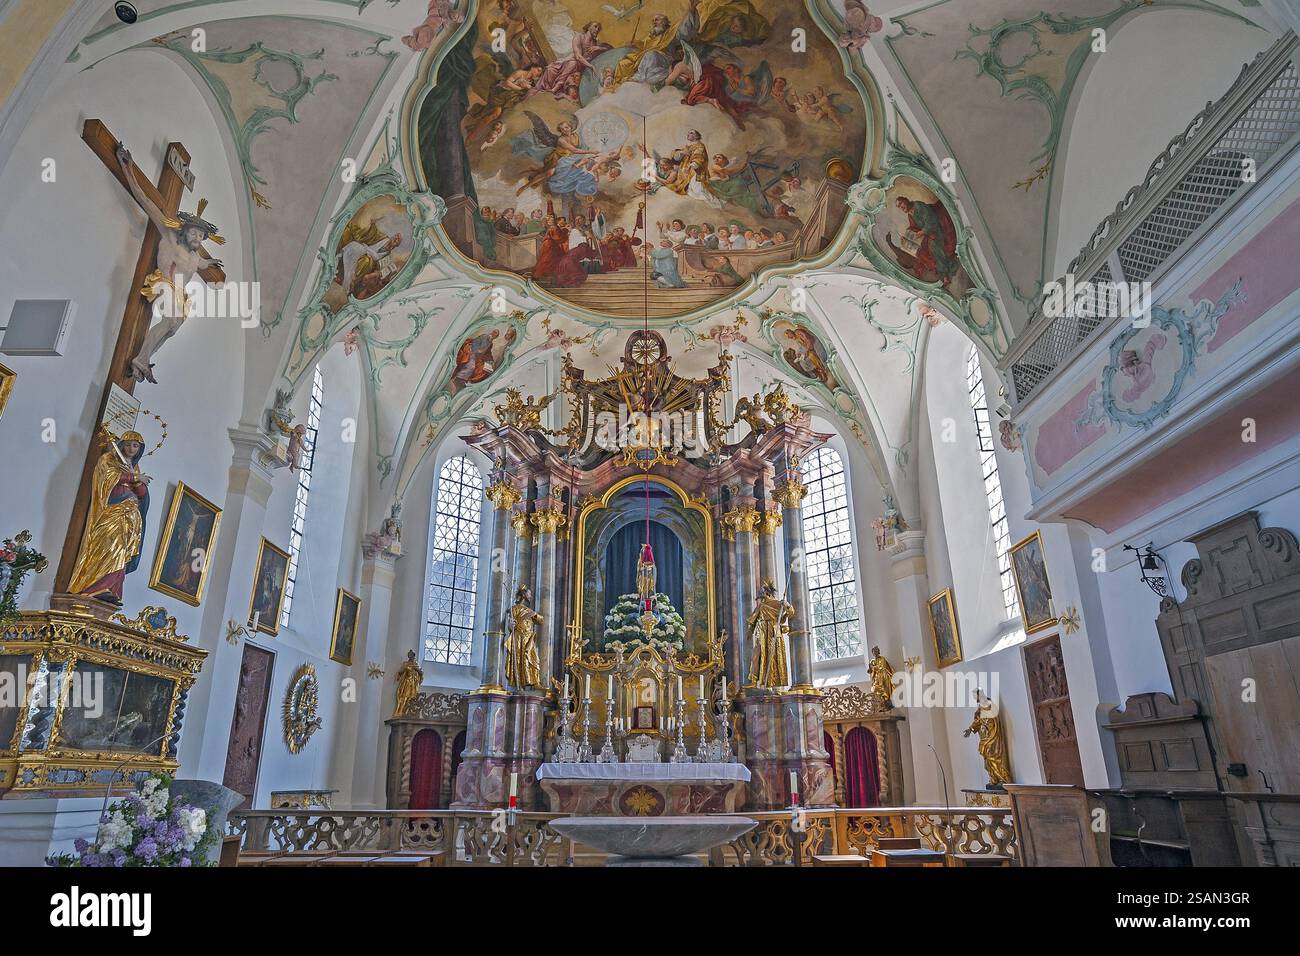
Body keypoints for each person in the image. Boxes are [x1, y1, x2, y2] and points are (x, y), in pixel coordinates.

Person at [69, 431, 151, 605]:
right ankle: (95, 586)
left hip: (130, 518)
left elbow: (142, 493)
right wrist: (133, 477)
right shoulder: (108, 459)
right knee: (109, 545)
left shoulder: (135, 467)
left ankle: (112, 589)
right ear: (121, 444)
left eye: (135, 446)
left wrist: (137, 480)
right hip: (111, 512)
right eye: (128, 444)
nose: (131, 448)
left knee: (121, 551)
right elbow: (105, 480)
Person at [746, 581, 792, 689]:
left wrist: (787, 605)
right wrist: (750, 631)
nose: (761, 595)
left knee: (774, 657)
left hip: (773, 633)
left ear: (767, 593)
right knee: (757, 657)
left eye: (763, 592)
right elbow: (752, 621)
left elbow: (791, 612)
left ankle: (773, 684)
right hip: (761, 633)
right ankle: (758, 681)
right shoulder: (761, 606)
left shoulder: (778, 603)